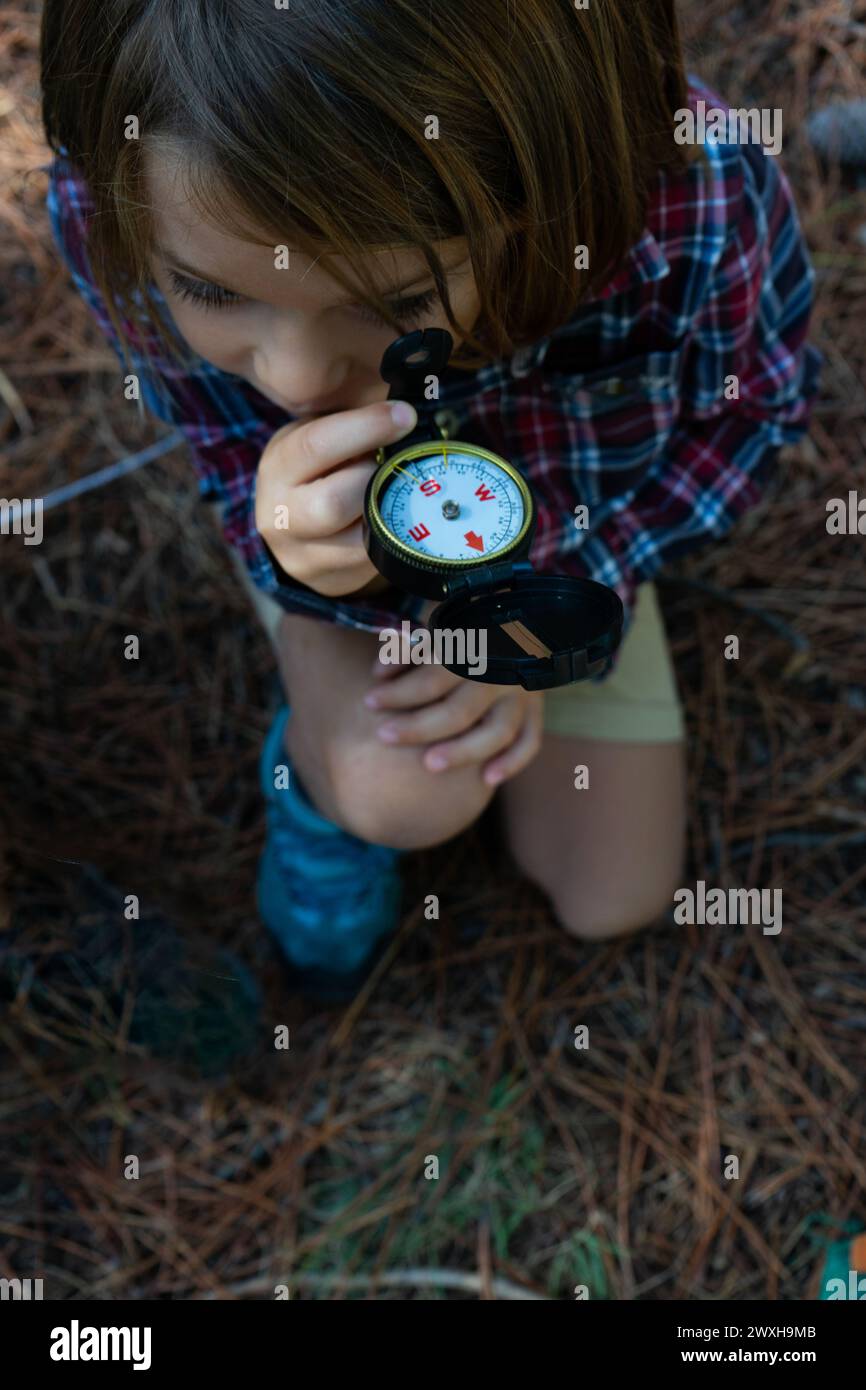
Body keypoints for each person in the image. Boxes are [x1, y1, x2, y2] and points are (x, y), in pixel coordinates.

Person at [40, 0, 821, 999]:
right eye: (213, 292)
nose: (291, 379)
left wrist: (572, 592)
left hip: (574, 543)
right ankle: (320, 804)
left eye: (393, 303)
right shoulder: (123, 180)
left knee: (606, 892)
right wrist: (301, 556)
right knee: (396, 791)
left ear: (548, 199)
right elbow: (232, 450)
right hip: (346, 554)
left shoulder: (695, 204)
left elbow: (753, 414)